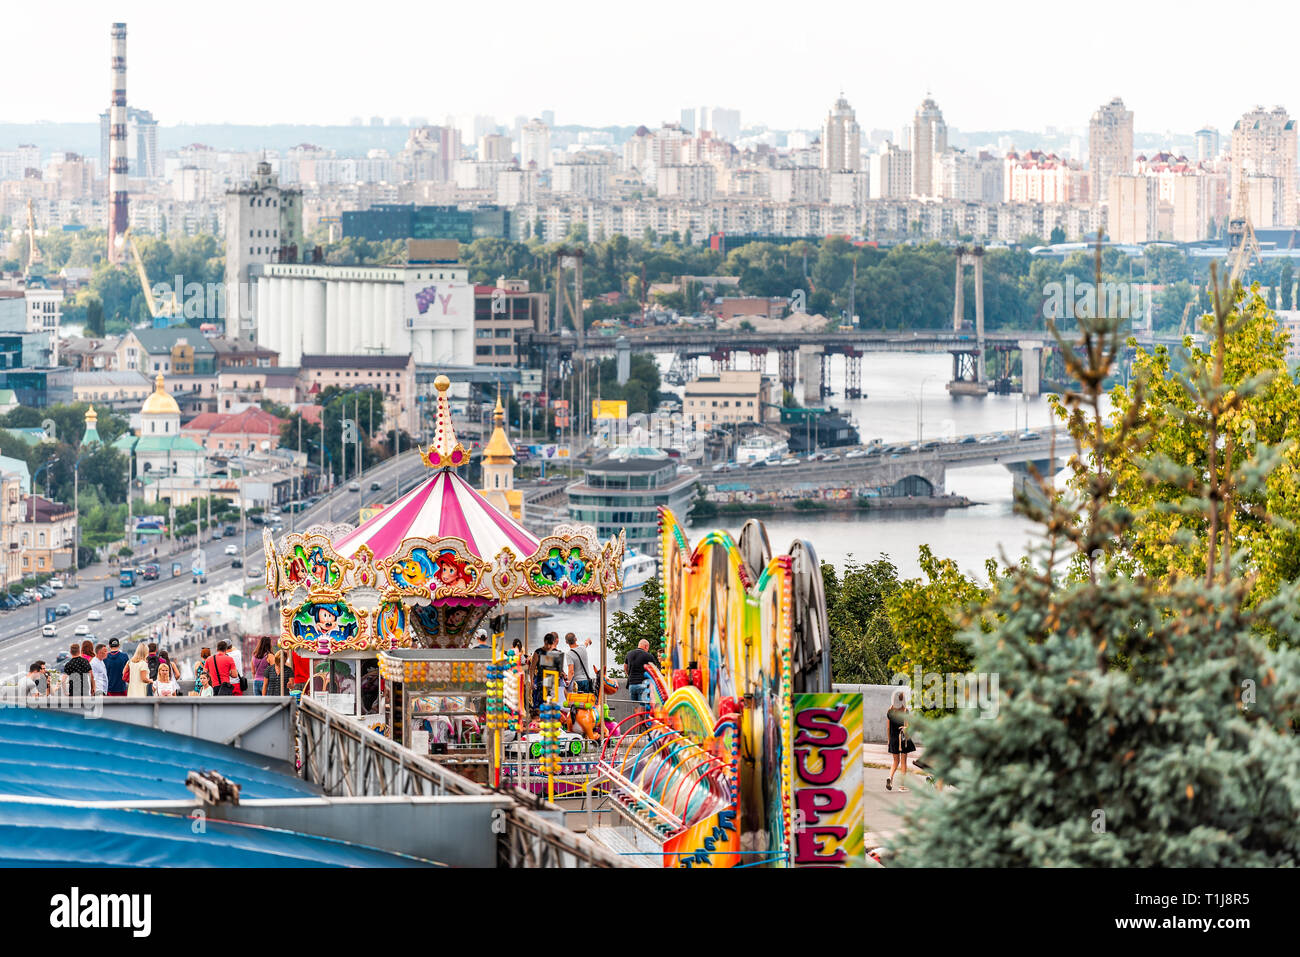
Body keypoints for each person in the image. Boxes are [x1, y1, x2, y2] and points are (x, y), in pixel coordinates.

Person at [886, 688, 916, 792]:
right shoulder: (905, 711)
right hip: (903, 740)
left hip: (894, 739)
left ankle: (890, 777)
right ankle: (902, 786)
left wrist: (889, 740)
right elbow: (907, 726)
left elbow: (888, 728)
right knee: (903, 762)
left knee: (895, 761)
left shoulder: (890, 711)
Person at [625, 639, 657, 704]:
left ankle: (637, 714)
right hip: (642, 685)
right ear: (646, 646)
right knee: (643, 707)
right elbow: (654, 669)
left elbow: (625, 666)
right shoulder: (648, 656)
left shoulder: (629, 654)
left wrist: (629, 675)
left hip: (631, 685)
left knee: (635, 707)